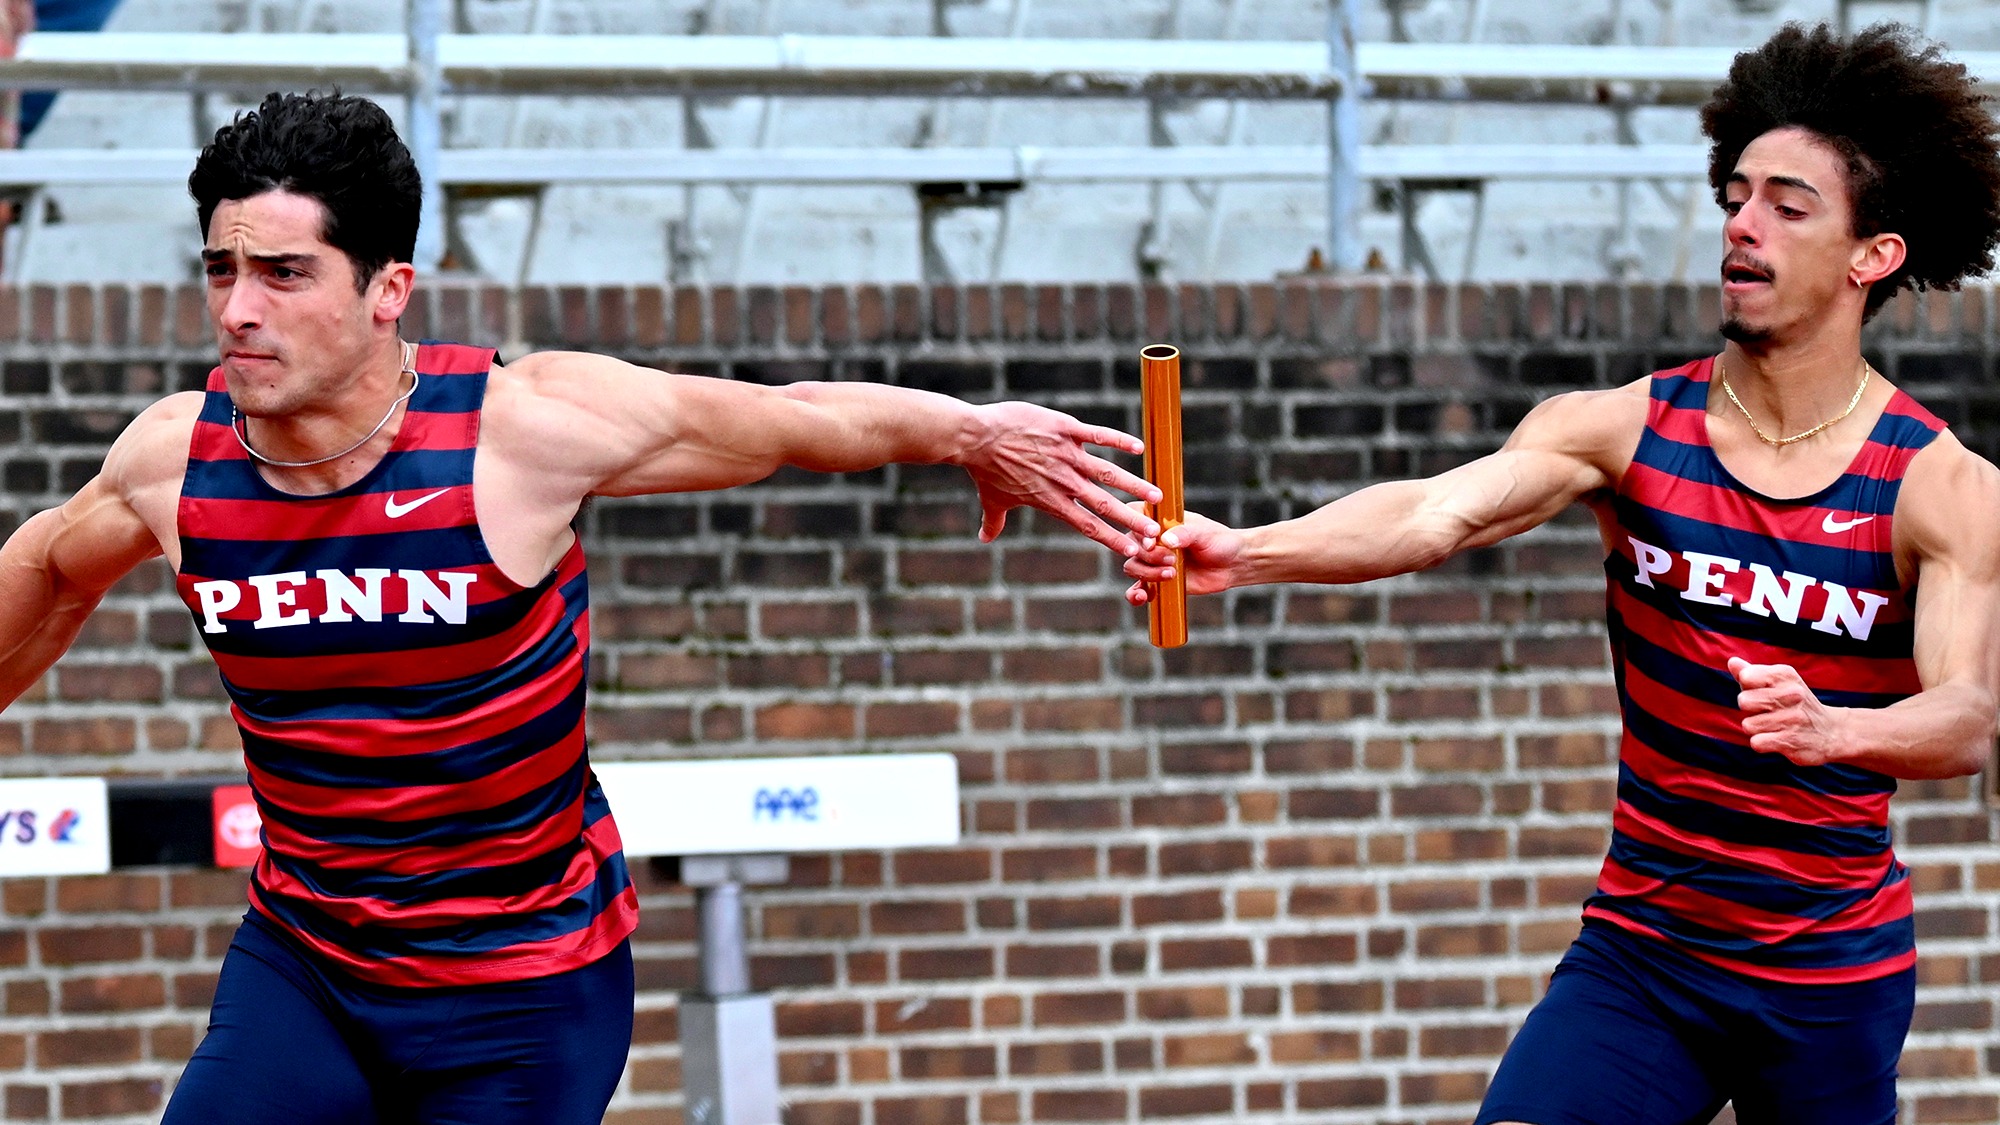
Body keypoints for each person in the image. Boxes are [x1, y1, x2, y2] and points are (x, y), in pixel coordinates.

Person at [0, 91, 1161, 1124]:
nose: (238, 310)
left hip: (523, 986)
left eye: (284, 274)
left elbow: (791, 420)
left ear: (388, 291)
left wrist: (971, 431)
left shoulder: (522, 429)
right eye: (220, 270)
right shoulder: (173, 460)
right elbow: (51, 572)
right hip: (310, 966)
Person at [1124, 23, 2000, 1125]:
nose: (1740, 224)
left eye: (1787, 204)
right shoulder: (1620, 429)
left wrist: (1837, 733)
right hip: (1644, 960)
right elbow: (1435, 512)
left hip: (1827, 982)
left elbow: (1965, 719)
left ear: (1870, 255)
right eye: (1734, 194)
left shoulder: (1937, 484)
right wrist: (1248, 551)